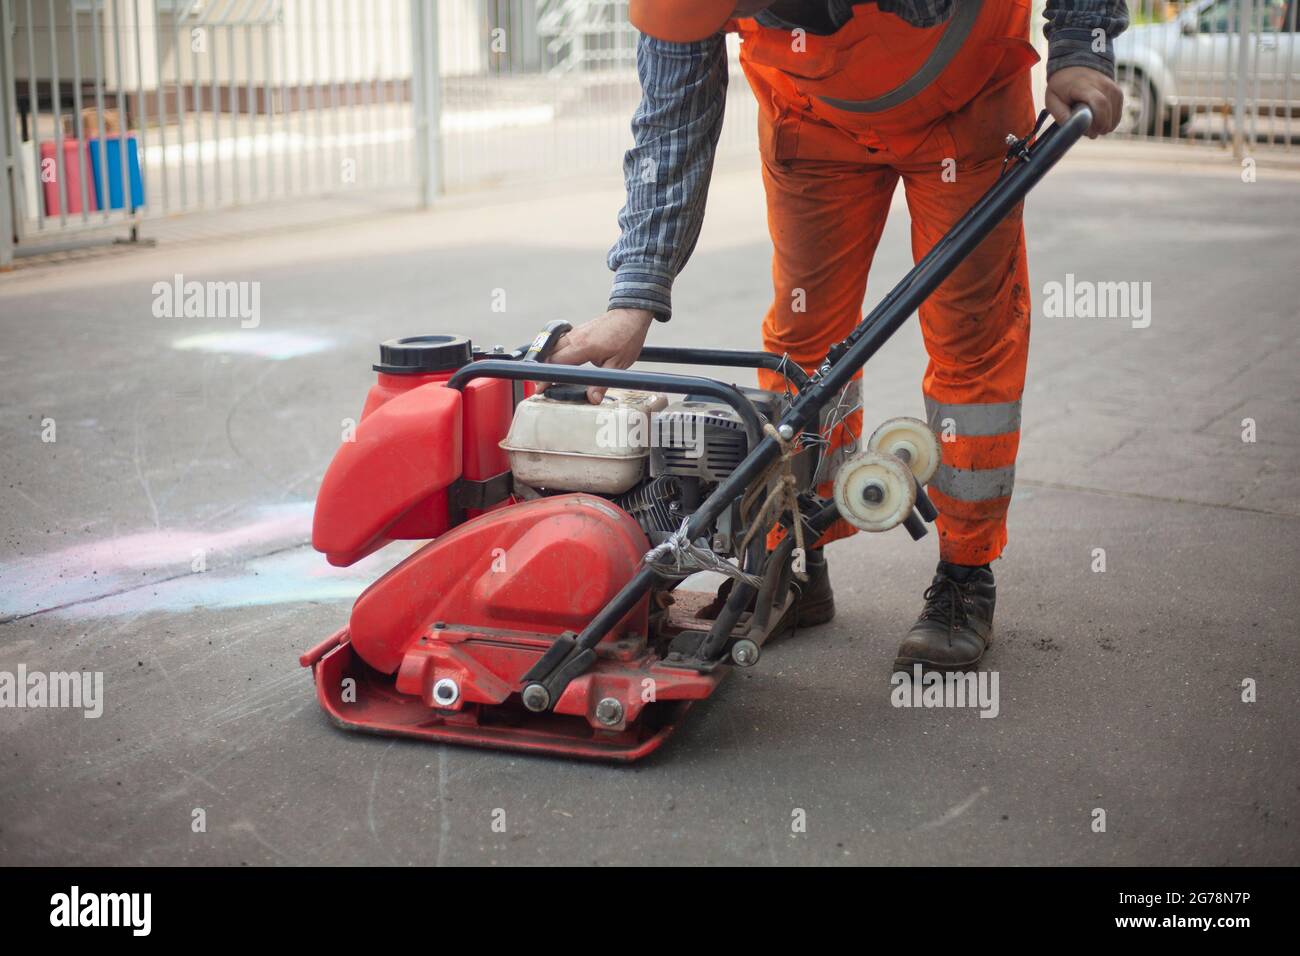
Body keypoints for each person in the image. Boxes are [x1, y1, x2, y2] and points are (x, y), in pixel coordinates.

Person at [545, 1, 1128, 671]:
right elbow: (670, 122)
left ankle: (966, 577)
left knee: (973, 343)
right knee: (802, 350)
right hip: (813, 123)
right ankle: (793, 559)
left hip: (963, 110)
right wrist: (635, 297)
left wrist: (1083, 44)